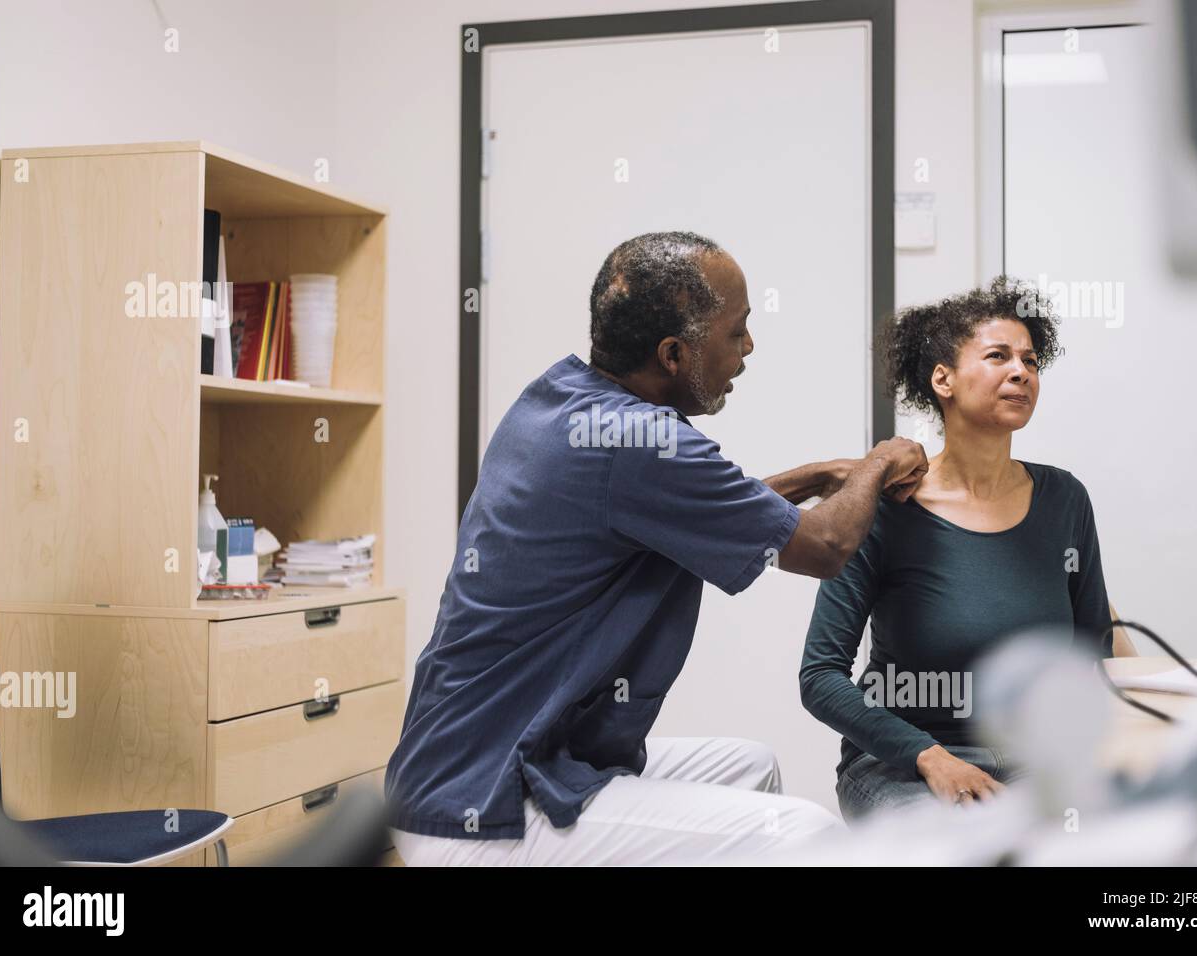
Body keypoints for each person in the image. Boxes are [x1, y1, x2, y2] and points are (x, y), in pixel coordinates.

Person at [384, 230, 928, 864]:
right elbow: (826, 545)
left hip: (472, 760)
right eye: (736, 331)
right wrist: (880, 461)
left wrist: (818, 475)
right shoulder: (641, 442)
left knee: (750, 767)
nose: (748, 348)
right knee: (807, 834)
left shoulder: (561, 400)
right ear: (674, 354)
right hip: (485, 804)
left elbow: (691, 509)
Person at [800, 277, 1115, 824]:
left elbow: (1093, 652)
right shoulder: (883, 507)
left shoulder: (1065, 497)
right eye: (998, 356)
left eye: (1031, 360)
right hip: (906, 766)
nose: (1021, 371)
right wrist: (930, 757)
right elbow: (820, 676)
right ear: (942, 379)